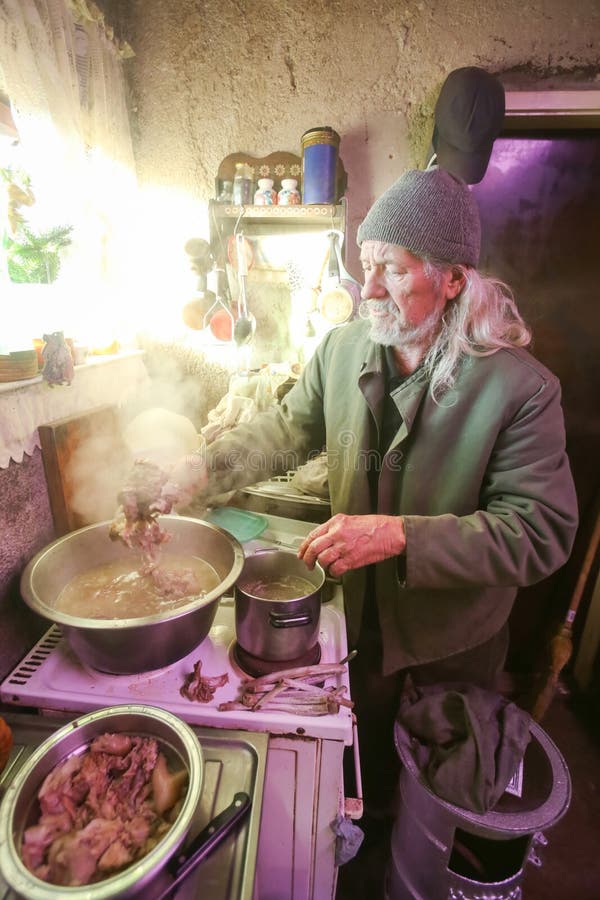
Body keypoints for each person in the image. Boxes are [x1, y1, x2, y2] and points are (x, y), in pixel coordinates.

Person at [187, 165, 579, 818]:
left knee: (439, 784)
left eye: (394, 268)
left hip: (452, 636)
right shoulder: (341, 349)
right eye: (364, 262)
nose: (367, 287)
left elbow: (538, 532)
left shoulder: (520, 390)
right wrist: (202, 470)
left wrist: (400, 534)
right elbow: (288, 429)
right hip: (361, 618)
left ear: (453, 280)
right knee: (363, 761)